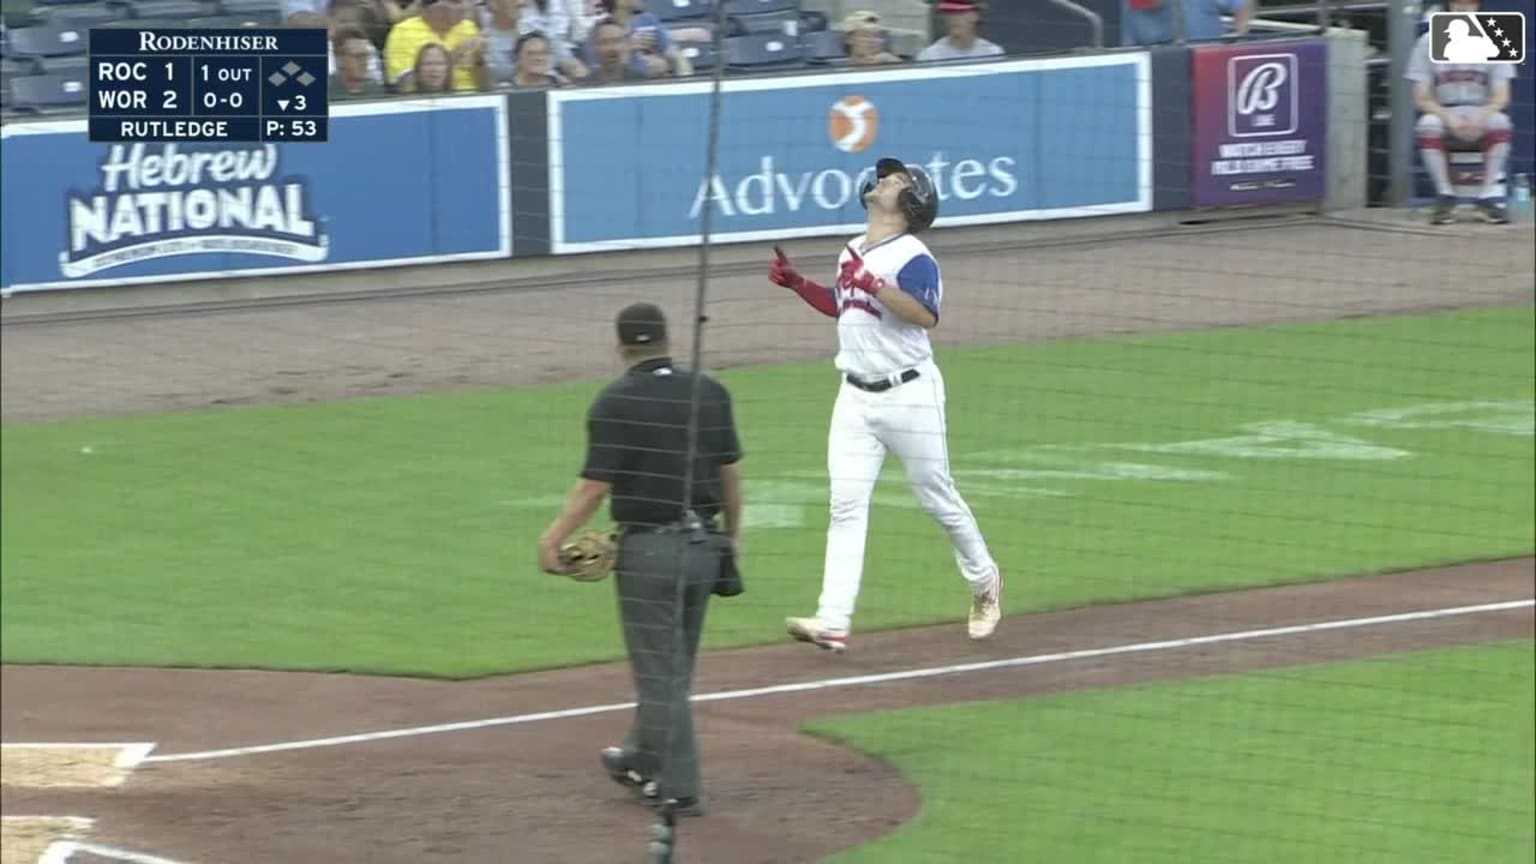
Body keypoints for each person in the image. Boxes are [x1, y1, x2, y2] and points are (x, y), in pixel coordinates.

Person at [768, 157, 1003, 653]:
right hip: (854, 397)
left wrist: (873, 283)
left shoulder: (913, 255)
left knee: (935, 494)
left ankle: (984, 581)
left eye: (896, 180)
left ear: (910, 203)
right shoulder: (852, 248)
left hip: (910, 394)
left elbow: (925, 315)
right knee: (845, 505)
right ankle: (833, 621)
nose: (884, 180)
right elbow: (841, 303)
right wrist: (797, 285)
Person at [538, 302, 745, 817]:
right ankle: (640, 755)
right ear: (667, 339)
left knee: (659, 674)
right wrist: (731, 540)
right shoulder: (711, 390)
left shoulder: (616, 400)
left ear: (621, 346)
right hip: (705, 548)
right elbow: (729, 476)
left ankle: (679, 785)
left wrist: (553, 537)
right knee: (674, 670)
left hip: (650, 553)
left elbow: (594, 486)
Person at [1406, 0, 1514, 225]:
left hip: (1480, 111)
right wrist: (1447, 116)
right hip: (1445, 111)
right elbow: (1421, 97)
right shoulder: (1427, 42)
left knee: (1500, 122)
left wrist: (1483, 113)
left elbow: (1502, 96)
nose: (1463, 10)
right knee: (1428, 123)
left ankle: (1487, 198)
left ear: (1477, 8)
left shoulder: (1495, 38)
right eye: (1458, 5)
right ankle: (1446, 197)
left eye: (1469, 5)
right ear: (1449, 8)